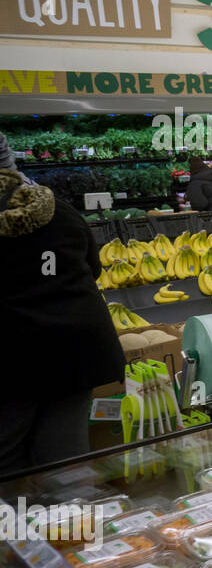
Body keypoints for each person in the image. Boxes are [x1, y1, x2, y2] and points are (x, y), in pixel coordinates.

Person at [0, 169, 125, 474]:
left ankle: (19, 518)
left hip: (15, 352)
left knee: (6, 455)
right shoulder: (60, 210)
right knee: (65, 454)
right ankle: (74, 518)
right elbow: (93, 268)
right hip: (77, 346)